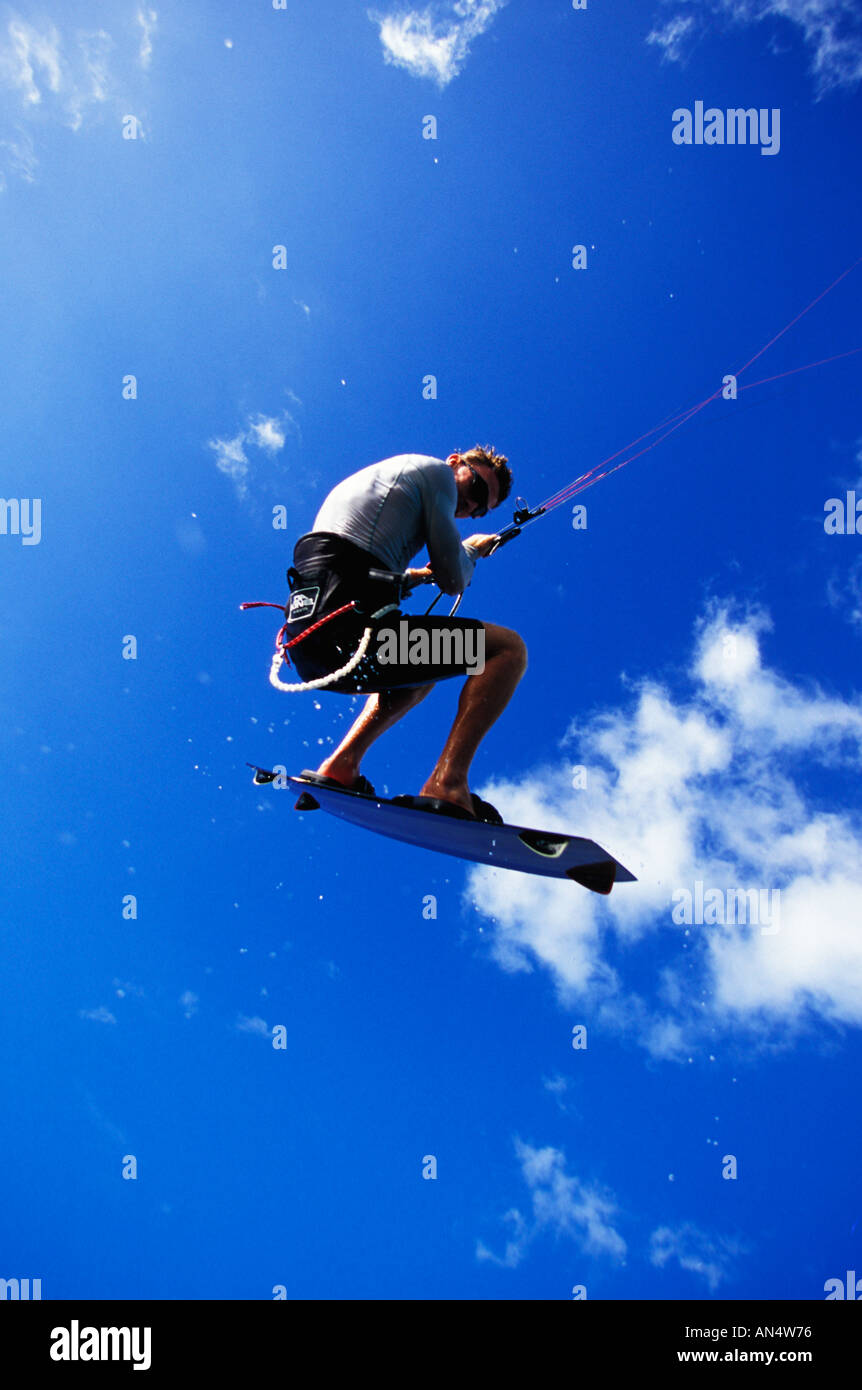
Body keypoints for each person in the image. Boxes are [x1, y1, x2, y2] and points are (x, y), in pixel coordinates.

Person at [284, 447, 527, 821]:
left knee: (424, 671)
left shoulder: (396, 484)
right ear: (454, 461)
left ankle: (340, 767)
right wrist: (470, 552)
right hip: (347, 630)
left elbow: (367, 571)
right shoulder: (435, 474)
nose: (472, 505)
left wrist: (429, 571)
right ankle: (448, 784)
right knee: (507, 650)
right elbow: (452, 577)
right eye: (476, 486)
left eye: (481, 509)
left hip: (312, 639)